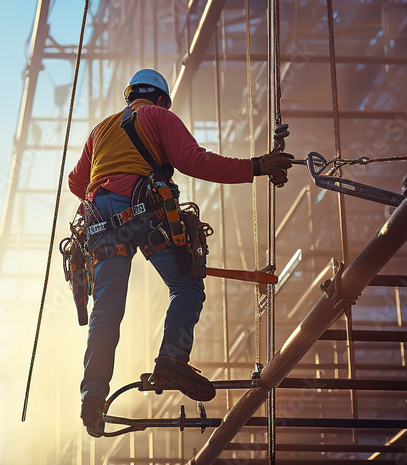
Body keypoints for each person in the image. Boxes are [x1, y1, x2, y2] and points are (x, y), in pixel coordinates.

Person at [67, 68, 292, 437]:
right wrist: (257, 167)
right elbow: (194, 160)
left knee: (106, 310)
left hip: (100, 224)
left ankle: (92, 397)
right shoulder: (157, 116)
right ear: (159, 98)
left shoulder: (100, 130)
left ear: (130, 96)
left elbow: (78, 182)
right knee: (186, 287)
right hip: (143, 215)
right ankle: (172, 359)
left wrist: (111, 196)